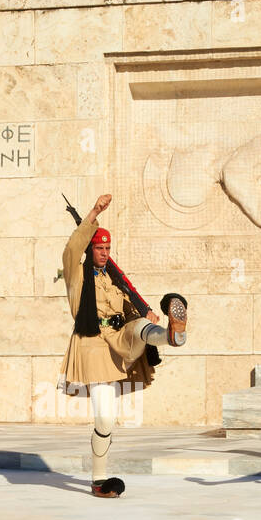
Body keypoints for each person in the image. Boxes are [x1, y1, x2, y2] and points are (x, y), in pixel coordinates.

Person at [58, 193, 188, 498]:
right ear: (91, 248)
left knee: (141, 327)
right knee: (105, 418)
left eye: (107, 249)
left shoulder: (113, 280)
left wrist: (146, 312)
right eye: (99, 248)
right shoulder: (76, 275)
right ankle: (99, 480)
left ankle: (169, 334)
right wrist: (93, 212)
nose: (103, 253)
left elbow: (131, 307)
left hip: (121, 337)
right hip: (93, 344)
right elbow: (72, 247)